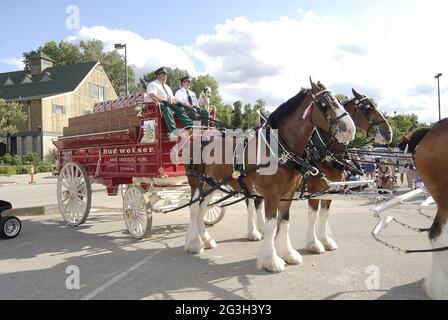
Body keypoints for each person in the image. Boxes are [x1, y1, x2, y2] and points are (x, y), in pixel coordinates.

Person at [146, 67, 193, 141]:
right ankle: (173, 131)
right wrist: (163, 101)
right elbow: (152, 95)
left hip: (169, 104)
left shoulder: (167, 87)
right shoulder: (152, 84)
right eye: (163, 75)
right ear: (158, 76)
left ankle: (189, 125)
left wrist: (182, 104)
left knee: (180, 108)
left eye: (166, 75)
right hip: (157, 105)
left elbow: (173, 98)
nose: (165, 77)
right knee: (166, 108)